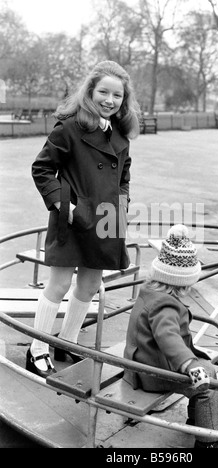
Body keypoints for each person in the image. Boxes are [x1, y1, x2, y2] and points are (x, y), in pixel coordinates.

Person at [27, 61, 141, 378]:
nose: (109, 100)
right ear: (90, 92)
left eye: (117, 95)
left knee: (90, 285)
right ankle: (36, 349)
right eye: (103, 91)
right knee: (59, 283)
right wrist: (69, 208)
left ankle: (68, 342)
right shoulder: (70, 128)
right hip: (72, 217)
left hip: (106, 219)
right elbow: (42, 170)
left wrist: (122, 203)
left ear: (124, 99)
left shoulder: (120, 135)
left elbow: (124, 177)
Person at [124, 224, 218, 448]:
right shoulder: (164, 305)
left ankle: (198, 420)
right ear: (181, 282)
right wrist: (188, 364)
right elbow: (168, 337)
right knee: (208, 384)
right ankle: (208, 441)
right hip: (151, 373)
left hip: (145, 361)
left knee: (208, 371)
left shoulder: (152, 292)